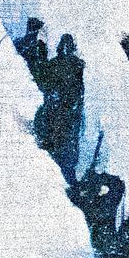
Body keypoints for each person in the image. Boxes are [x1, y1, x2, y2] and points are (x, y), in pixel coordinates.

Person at [34, 32, 85, 183]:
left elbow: (41, 79)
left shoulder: (54, 64)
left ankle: (59, 180)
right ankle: (68, 181)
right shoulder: (79, 66)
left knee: (55, 147)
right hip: (69, 115)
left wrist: (41, 47)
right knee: (68, 151)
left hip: (55, 113)